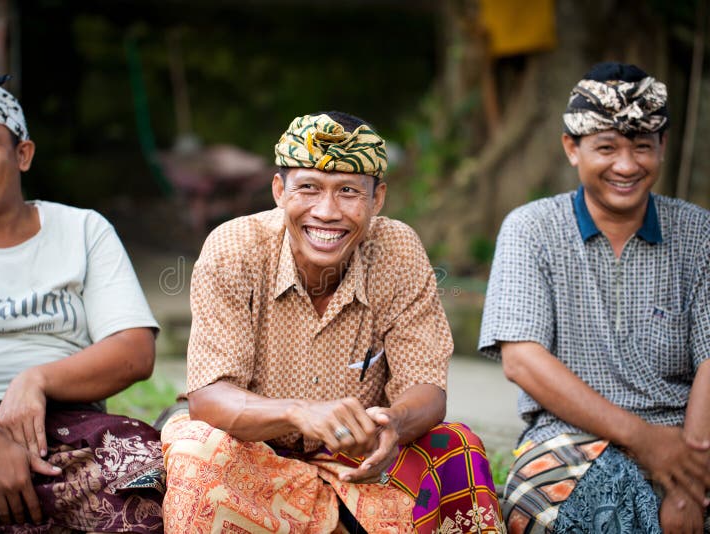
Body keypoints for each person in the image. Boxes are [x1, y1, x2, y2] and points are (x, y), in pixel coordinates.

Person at [160, 111, 505, 533]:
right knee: (199, 450)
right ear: (279, 191)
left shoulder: (399, 251)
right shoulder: (234, 248)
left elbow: (427, 388)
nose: (327, 211)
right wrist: (297, 412)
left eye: (347, 191)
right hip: (255, 453)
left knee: (457, 447)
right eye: (308, 188)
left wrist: (393, 424)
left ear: (376, 200)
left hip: (358, 458)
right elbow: (209, 399)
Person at [0, 75, 165, 532]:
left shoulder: (83, 230)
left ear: (22, 154)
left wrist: (37, 380)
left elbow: (134, 350)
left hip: (66, 430)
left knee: (150, 474)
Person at [479, 61, 710, 533]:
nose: (626, 166)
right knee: (550, 509)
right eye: (606, 147)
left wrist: (688, 479)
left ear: (662, 147)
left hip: (691, 436)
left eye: (642, 147)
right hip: (568, 437)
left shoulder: (699, 233)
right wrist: (641, 439)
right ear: (572, 148)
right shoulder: (532, 229)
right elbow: (521, 359)